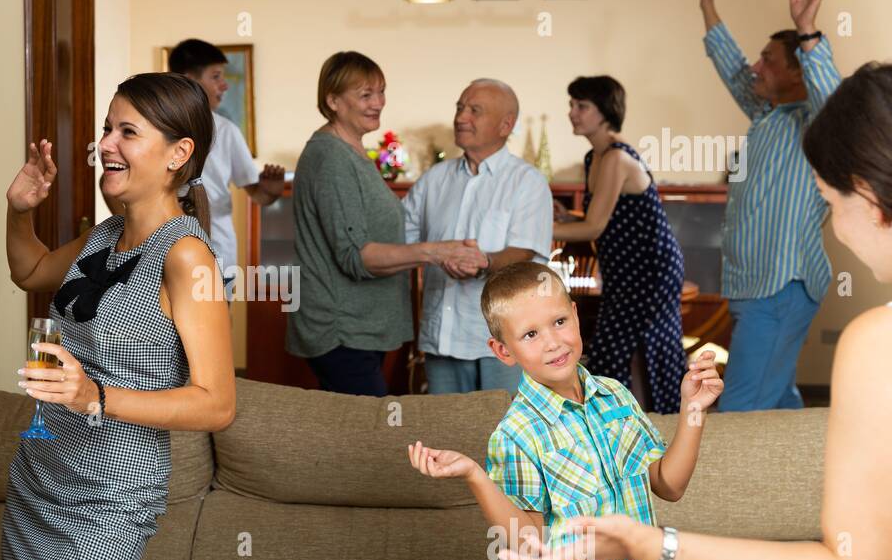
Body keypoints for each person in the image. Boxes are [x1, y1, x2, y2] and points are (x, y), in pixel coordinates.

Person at [491, 64, 892, 560]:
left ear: (869, 194)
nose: (832, 226)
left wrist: (645, 541)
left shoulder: (880, 340)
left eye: (829, 202)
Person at [0, 72, 235, 560]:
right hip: (40, 474)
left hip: (107, 497)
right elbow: (29, 273)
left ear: (178, 154)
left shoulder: (187, 256)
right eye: (107, 129)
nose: (106, 143)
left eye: (127, 132)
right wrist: (19, 212)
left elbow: (216, 403)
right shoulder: (102, 236)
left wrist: (96, 395)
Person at [407, 261, 724, 560]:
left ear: (576, 315)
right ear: (504, 351)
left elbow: (669, 484)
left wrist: (692, 410)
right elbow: (526, 543)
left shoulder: (613, 396)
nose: (553, 342)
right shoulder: (517, 432)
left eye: (558, 321)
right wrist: (474, 474)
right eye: (530, 334)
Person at [286, 51, 473, 396]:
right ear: (333, 100)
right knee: (369, 438)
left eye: (381, 91)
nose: (378, 103)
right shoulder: (331, 157)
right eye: (365, 94)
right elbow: (356, 256)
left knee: (357, 436)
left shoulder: (353, 151)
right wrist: (436, 252)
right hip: (341, 328)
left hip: (362, 327)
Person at [700, 0, 841, 411]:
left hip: (780, 289)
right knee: (778, 400)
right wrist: (708, 4)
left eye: (768, 59)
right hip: (757, 289)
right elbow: (733, 69)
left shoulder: (817, 122)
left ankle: (724, 485)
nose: (756, 68)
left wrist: (807, 32)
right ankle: (804, 482)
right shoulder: (768, 114)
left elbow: (833, 98)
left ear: (798, 70)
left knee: (739, 412)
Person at [404, 79, 553, 395]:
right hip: (440, 338)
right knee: (446, 435)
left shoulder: (527, 182)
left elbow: (525, 252)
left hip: (503, 342)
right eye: (459, 107)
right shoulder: (434, 179)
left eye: (475, 110)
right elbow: (402, 240)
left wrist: (483, 260)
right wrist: (436, 253)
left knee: (502, 438)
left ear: (505, 125)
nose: (461, 117)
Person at [554, 75, 687, 413]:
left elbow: (594, 227)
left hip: (649, 271)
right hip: (623, 270)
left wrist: (537, 228)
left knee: (632, 350)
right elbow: (600, 218)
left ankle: (650, 429)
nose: (572, 112)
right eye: (572, 105)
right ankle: (628, 429)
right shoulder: (593, 157)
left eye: (582, 106)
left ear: (605, 112)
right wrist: (567, 218)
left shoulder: (616, 157)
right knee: (618, 350)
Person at [168, 38, 285, 291]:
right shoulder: (157, 126)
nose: (224, 86)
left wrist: (272, 190)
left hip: (217, 252)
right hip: (164, 249)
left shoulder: (227, 131)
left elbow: (260, 196)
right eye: (216, 76)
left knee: (214, 327)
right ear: (189, 79)